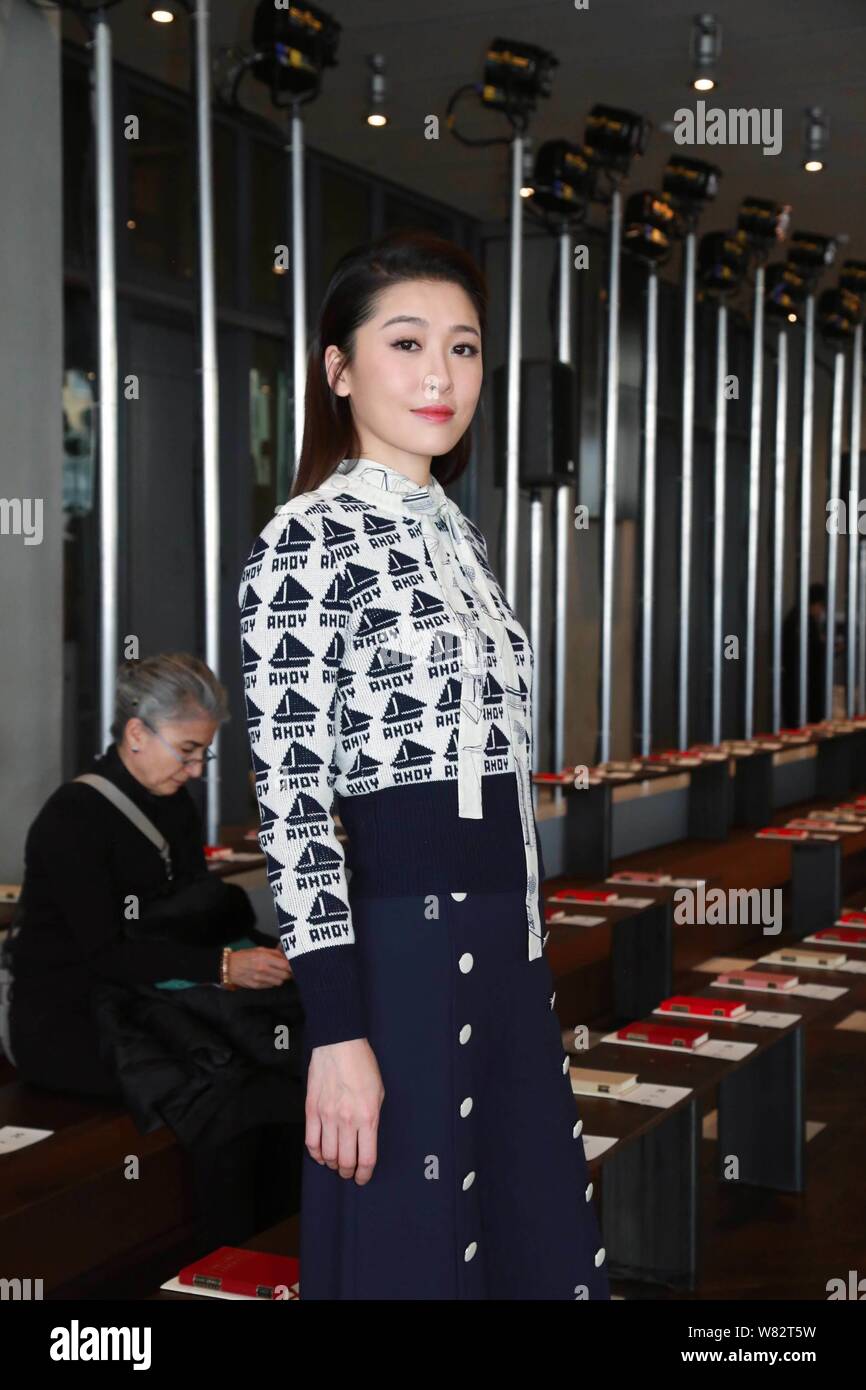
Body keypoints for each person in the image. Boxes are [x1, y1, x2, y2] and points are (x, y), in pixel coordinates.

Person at [238, 229, 609, 1299]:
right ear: (338, 368)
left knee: (530, 1241)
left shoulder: (461, 534)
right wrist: (337, 1029)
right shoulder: (306, 539)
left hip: (501, 939)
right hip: (400, 943)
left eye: (464, 346)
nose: (441, 374)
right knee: (417, 1254)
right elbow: (294, 805)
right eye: (406, 343)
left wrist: (528, 950)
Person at [7, 652, 305, 1252]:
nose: (196, 769)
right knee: (223, 1092)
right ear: (137, 733)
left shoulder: (173, 804)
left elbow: (189, 916)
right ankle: (218, 1267)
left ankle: (280, 1257)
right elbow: (104, 954)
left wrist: (258, 956)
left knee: (282, 1073)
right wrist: (223, 967)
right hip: (70, 1020)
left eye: (203, 753)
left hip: (150, 1001)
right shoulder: (73, 818)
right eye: (187, 751)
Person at [781, 582, 827, 727]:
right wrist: (826, 647)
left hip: (796, 687)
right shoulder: (804, 622)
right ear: (816, 603)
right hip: (803, 689)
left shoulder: (795, 618)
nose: (821, 612)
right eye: (822, 607)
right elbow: (812, 655)